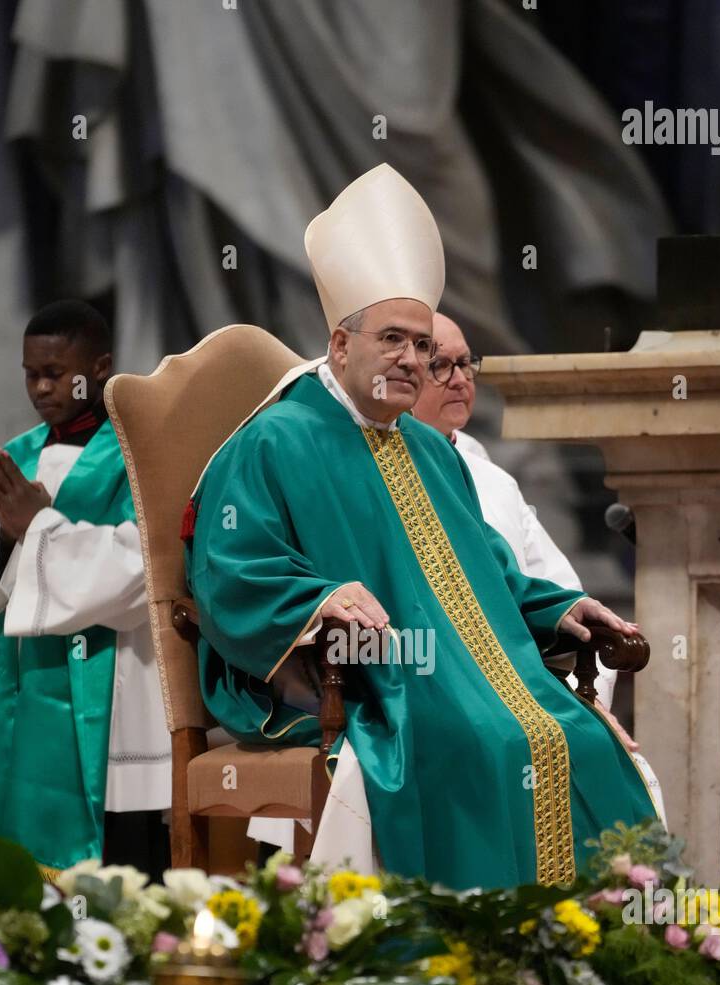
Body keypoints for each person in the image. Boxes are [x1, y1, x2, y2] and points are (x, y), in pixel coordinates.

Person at [184, 165, 660, 891]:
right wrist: (319, 600)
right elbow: (227, 569)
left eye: (423, 347)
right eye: (393, 341)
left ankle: (592, 961)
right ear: (340, 347)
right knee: (481, 741)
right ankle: (461, 957)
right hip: (366, 681)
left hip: (473, 675)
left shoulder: (433, 449)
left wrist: (557, 607)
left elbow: (487, 573)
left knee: (581, 739)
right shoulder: (273, 441)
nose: (412, 360)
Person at [0, 300, 171, 879]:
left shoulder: (140, 455)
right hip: (21, 683)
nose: (42, 388)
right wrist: (2, 531)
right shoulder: (14, 460)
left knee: (122, 863)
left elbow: (142, 568)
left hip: (113, 685)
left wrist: (39, 529)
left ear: (100, 367)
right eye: (31, 373)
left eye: (56, 373)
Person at [413, 312, 624, 727]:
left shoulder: (496, 481)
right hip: (442, 685)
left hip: (526, 683)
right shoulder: (383, 472)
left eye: (465, 363)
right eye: (440, 366)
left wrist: (586, 702)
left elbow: (560, 592)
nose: (459, 380)